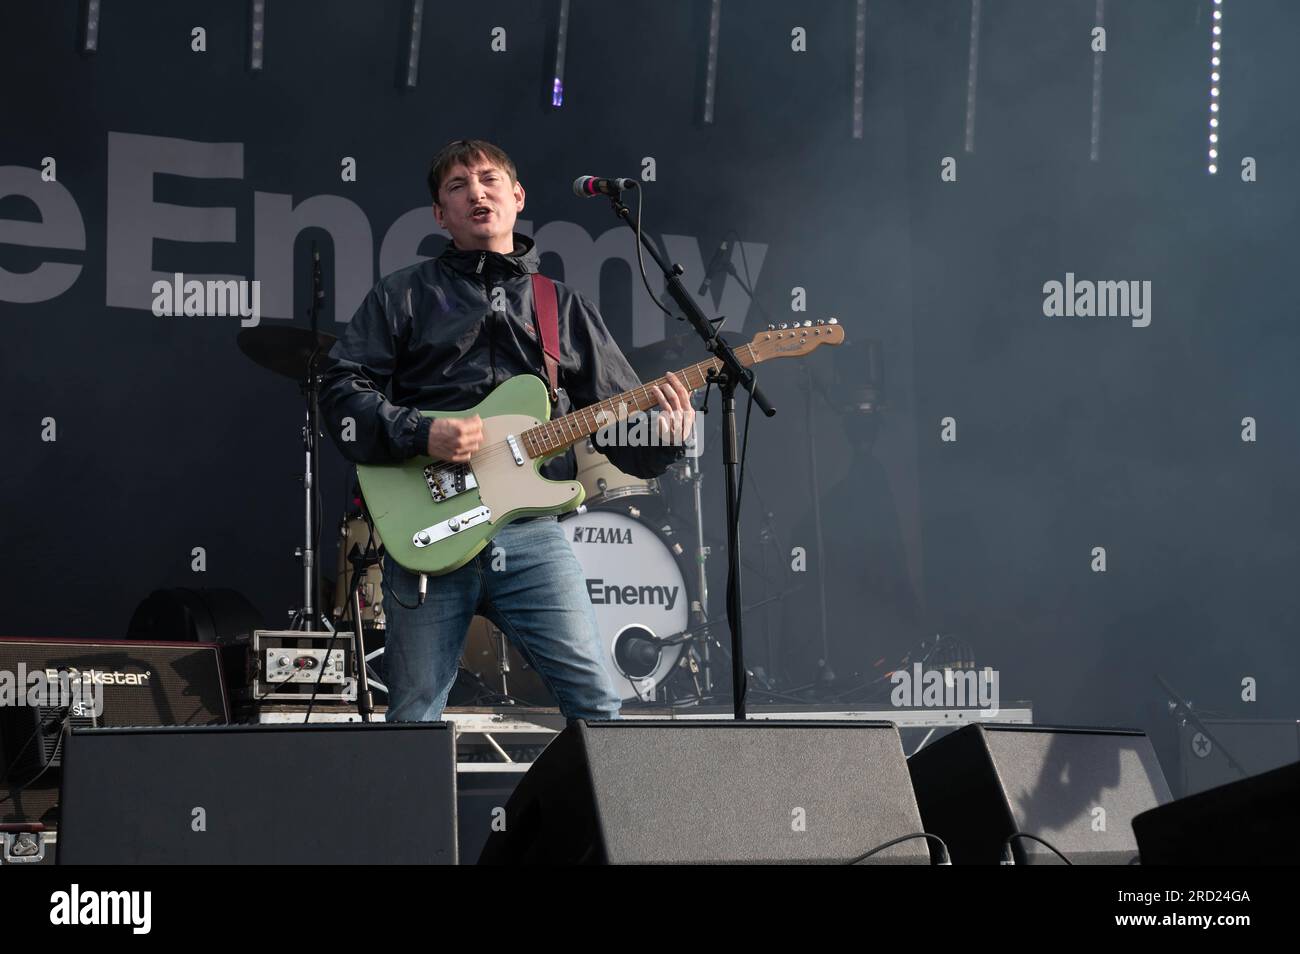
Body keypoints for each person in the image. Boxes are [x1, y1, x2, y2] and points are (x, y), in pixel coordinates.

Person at [320, 139, 695, 723]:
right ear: (440, 215)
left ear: (517, 197)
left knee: (598, 706)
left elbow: (622, 433)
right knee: (414, 713)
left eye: (490, 180)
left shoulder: (562, 307)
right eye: (457, 186)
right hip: (429, 528)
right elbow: (340, 391)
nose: (477, 192)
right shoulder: (404, 295)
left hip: (532, 534)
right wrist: (421, 432)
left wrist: (665, 438)